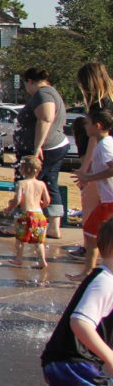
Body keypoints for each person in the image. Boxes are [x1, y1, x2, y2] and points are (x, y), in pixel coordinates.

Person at [38, 219, 113, 386]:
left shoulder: (104, 278)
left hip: (67, 361)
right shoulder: (105, 283)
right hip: (74, 362)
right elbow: (80, 323)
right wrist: (110, 358)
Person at [0, 68, 67, 239]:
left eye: (25, 84)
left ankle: (17, 226)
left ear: (29, 81)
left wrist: (37, 149)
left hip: (41, 151)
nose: (25, 88)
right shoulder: (51, 92)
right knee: (50, 183)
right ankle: (53, 227)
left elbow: (46, 118)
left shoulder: (42, 94)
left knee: (25, 185)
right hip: (55, 146)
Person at [66, 63, 113, 258]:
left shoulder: (99, 104)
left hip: (101, 158)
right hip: (108, 154)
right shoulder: (110, 99)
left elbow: (95, 137)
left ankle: (89, 246)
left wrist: (86, 172)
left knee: (91, 204)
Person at [69, 109, 113, 282]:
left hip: (110, 201)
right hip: (107, 200)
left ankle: (91, 271)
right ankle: (89, 271)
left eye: (88, 123)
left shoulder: (105, 145)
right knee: (90, 232)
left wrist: (89, 177)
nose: (85, 126)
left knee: (92, 232)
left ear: (98, 125)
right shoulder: (104, 142)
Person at [4, 156, 50, 269]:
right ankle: (42, 261)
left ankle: (19, 259)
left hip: (26, 216)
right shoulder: (41, 184)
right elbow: (47, 201)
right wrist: (41, 206)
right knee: (39, 242)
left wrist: (10, 208)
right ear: (38, 170)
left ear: (22, 170)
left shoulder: (21, 183)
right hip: (39, 216)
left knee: (19, 239)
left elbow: (18, 199)